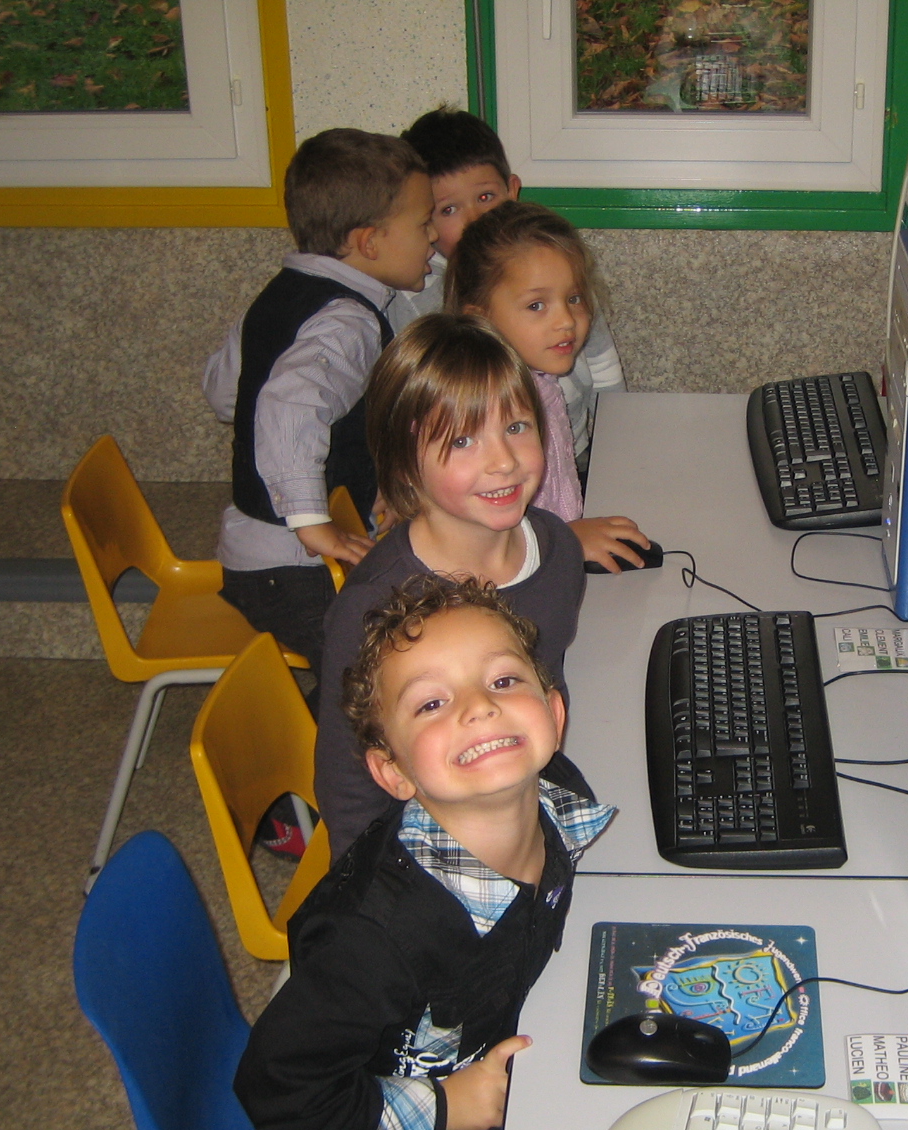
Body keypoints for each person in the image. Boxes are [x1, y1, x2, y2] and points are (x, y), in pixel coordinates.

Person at [236, 574, 614, 1130]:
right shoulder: (374, 940)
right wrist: (446, 1106)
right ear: (394, 771)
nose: (478, 706)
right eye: (431, 704)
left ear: (553, 711)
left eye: (502, 680)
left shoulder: (561, 798)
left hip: (506, 1039)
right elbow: (278, 1093)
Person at [314, 312, 587, 857]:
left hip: (517, 788)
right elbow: (348, 789)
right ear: (406, 465)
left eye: (516, 427)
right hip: (434, 841)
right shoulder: (373, 609)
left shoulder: (555, 547)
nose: (504, 462)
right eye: (463, 440)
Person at [203, 127, 436, 673]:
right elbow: (287, 407)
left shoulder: (282, 292)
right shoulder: (348, 320)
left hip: (253, 554)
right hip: (291, 573)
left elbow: (225, 393)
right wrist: (312, 521)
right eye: (423, 224)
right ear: (370, 241)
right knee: (374, 672)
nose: (433, 238)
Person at [394, 106, 625, 489]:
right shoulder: (417, 297)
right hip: (500, 472)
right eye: (449, 209)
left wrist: (617, 437)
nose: (474, 219)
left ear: (512, 190)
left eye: (486, 196)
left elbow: (601, 359)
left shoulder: (549, 257)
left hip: (578, 449)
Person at [447, 199, 653, 570]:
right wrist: (566, 538)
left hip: (554, 564)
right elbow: (470, 536)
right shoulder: (477, 410)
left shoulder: (540, 383)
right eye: (537, 306)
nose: (566, 321)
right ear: (480, 318)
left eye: (573, 298)